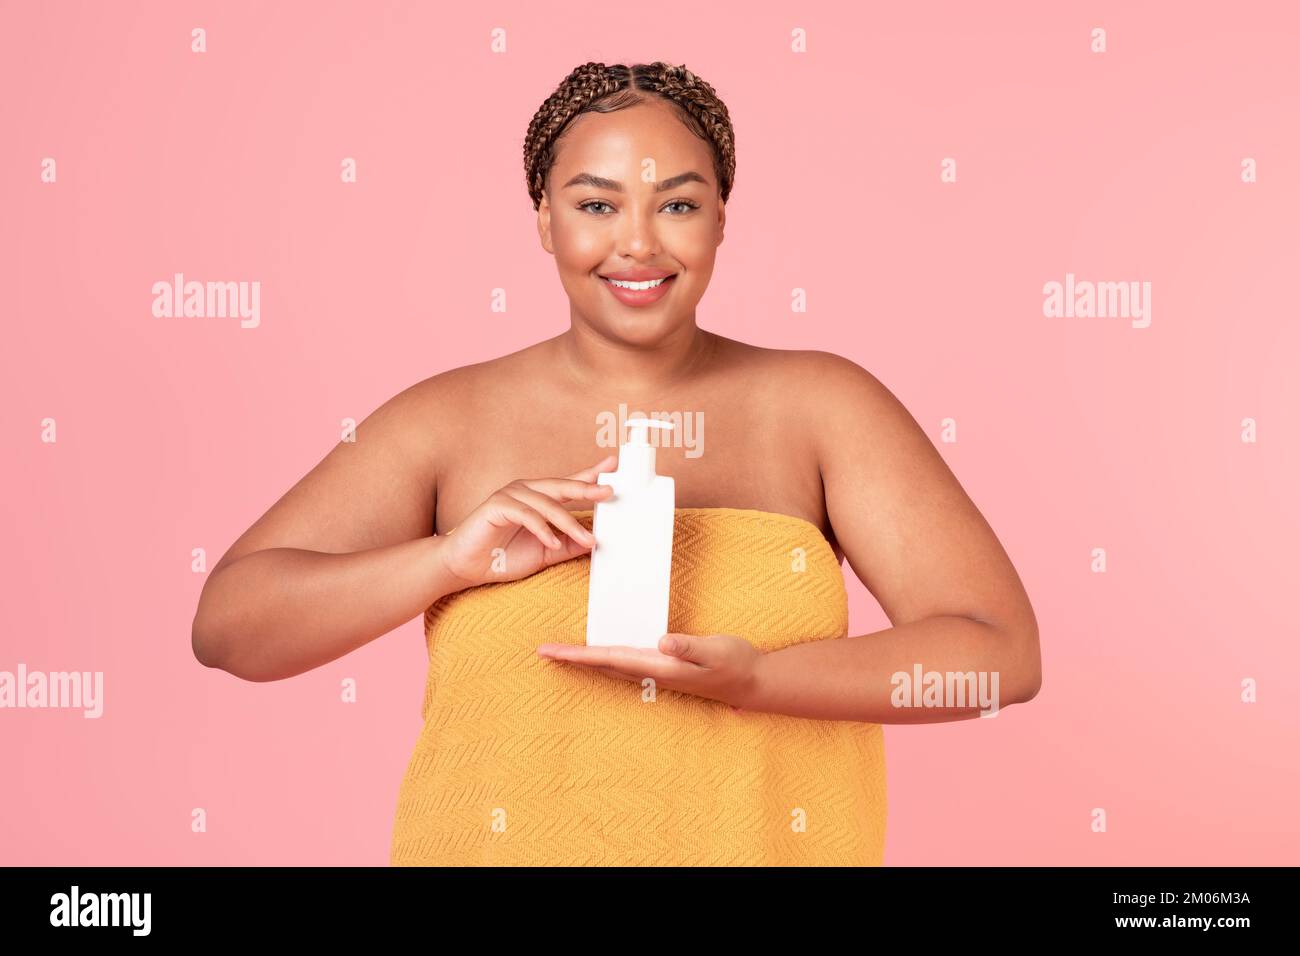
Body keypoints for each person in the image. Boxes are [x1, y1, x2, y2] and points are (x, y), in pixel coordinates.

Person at [191, 61, 1041, 866]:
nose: (637, 244)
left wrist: (759, 679)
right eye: (596, 205)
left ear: (721, 218)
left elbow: (1000, 658)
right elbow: (230, 630)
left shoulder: (823, 406)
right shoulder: (445, 421)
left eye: (677, 205)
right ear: (542, 218)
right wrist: (447, 562)